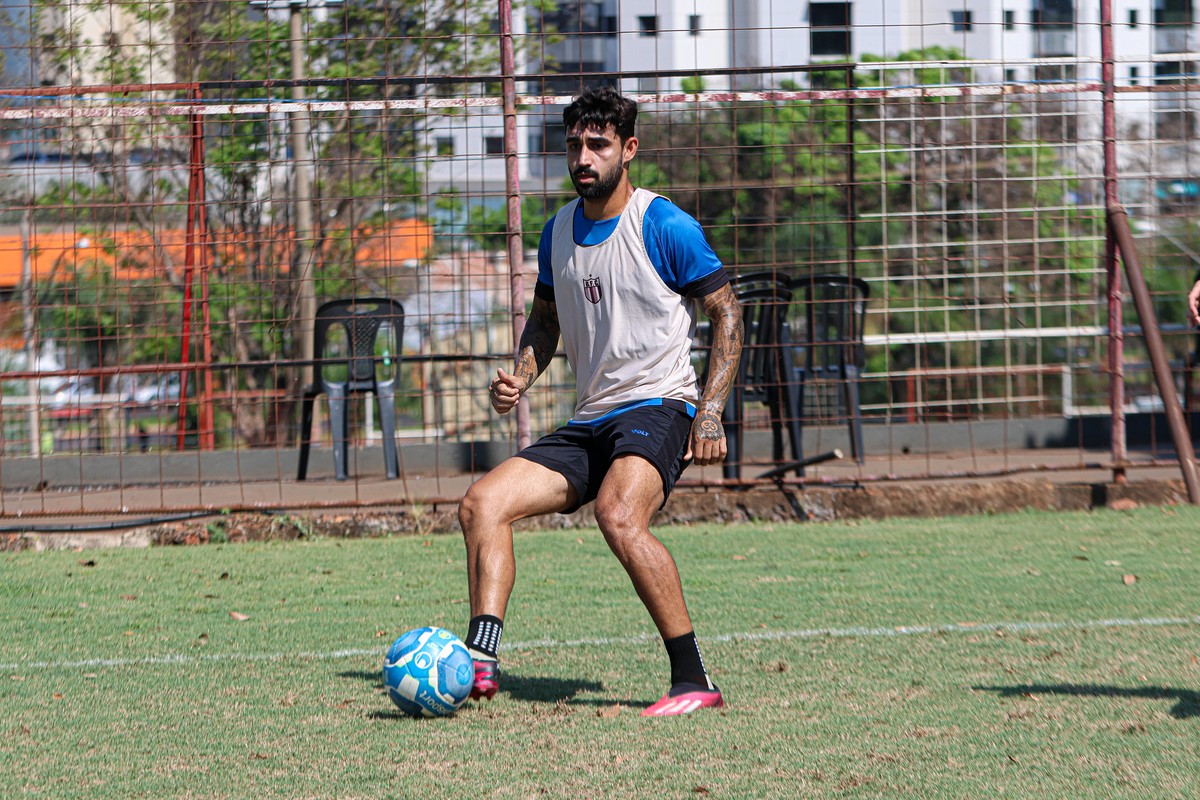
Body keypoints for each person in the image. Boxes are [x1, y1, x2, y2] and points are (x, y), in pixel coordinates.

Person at [457, 86, 744, 717]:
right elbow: (545, 320)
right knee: (482, 504)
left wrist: (713, 410)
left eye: (598, 144)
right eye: (574, 145)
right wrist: (522, 376)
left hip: (659, 405)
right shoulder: (557, 230)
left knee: (618, 515)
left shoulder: (663, 224)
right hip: (591, 418)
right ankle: (479, 662)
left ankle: (693, 680)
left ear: (628, 149)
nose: (583, 157)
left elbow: (727, 314)